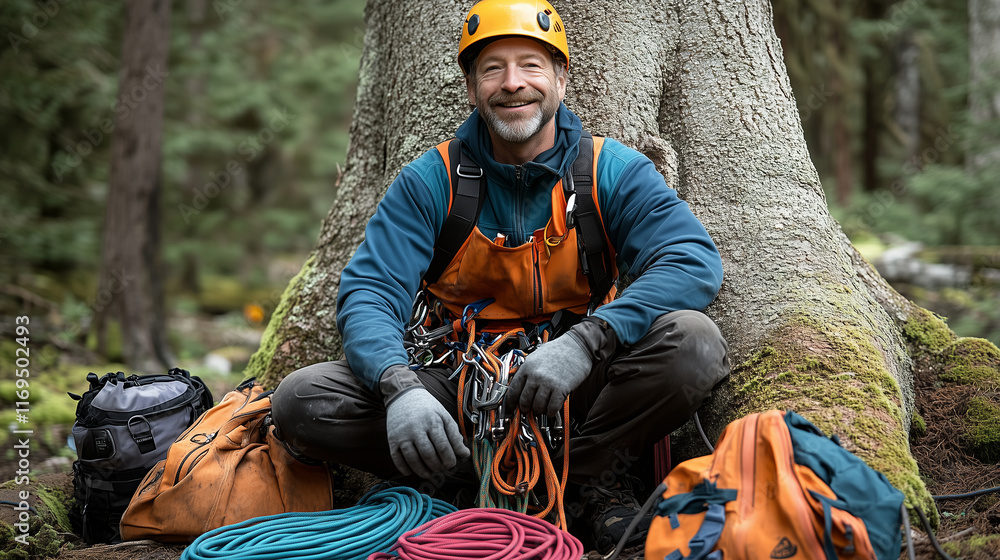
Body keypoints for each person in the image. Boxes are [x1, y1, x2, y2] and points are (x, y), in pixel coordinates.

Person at [272, 0, 730, 551]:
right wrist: (399, 389)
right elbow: (370, 291)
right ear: (472, 88)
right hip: (457, 382)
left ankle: (586, 483)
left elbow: (691, 258)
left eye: (531, 65)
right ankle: (474, 481)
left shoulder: (612, 170)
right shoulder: (430, 180)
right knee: (302, 400)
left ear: (561, 77)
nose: (513, 83)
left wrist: (588, 341)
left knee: (695, 345)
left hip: (581, 385)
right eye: (493, 68)